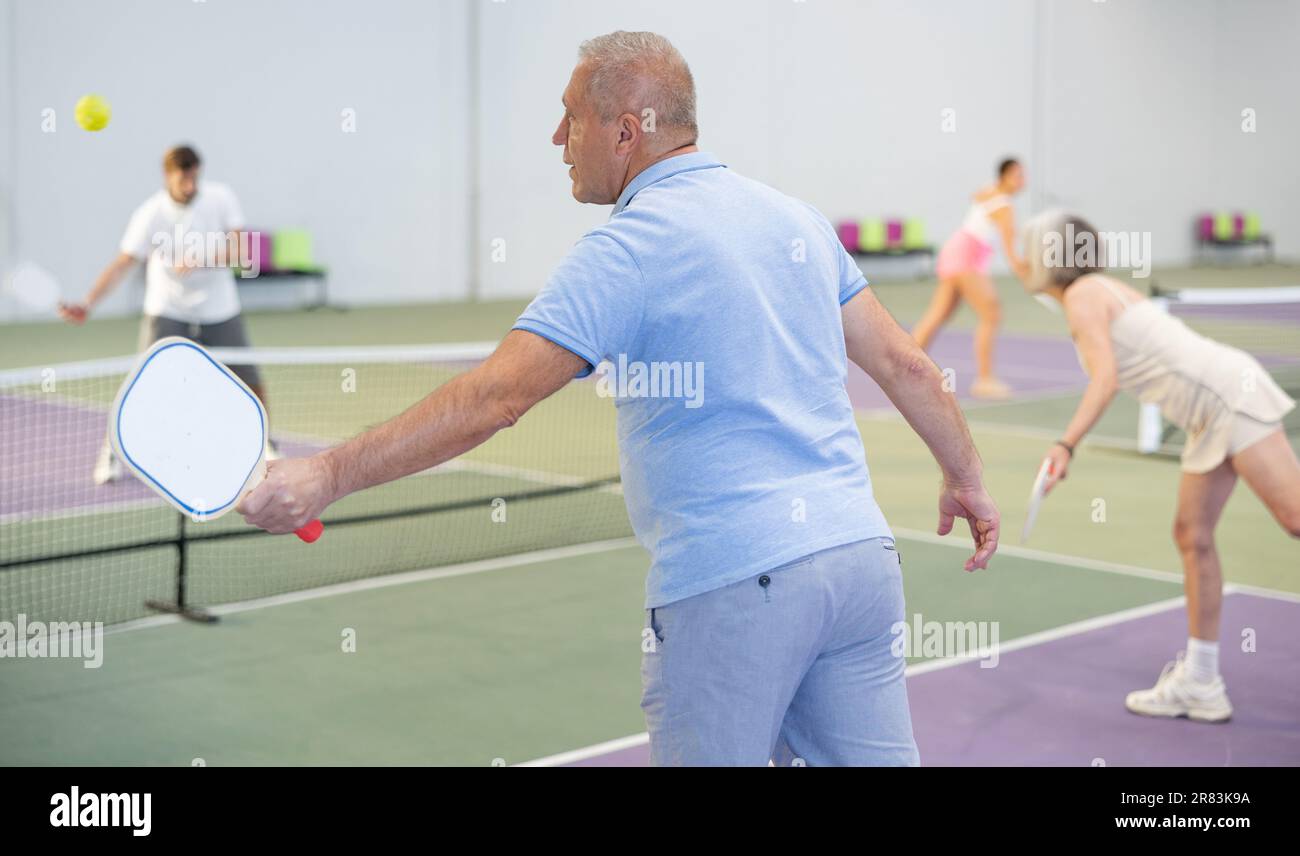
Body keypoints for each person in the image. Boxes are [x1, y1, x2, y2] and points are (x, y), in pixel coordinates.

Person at [237, 31, 1000, 765]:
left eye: (571, 116)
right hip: (859, 563)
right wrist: (966, 479)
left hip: (735, 584)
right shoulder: (793, 218)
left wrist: (326, 475)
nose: (556, 137)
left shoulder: (626, 250)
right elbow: (908, 366)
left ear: (628, 131)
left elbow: (495, 397)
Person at [1024, 210, 1299, 722]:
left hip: (1226, 398)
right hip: (1205, 416)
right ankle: (1201, 681)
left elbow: (1104, 380)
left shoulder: (1084, 296)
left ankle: (1199, 680)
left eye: (1030, 246)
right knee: (1192, 535)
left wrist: (1065, 444)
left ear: (1051, 257)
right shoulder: (1097, 290)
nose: (1020, 257)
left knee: (1295, 519)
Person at [59, 144, 269, 483]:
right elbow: (122, 263)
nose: (190, 186)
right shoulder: (150, 214)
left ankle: (265, 445)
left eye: (195, 178)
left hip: (220, 308)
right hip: (168, 309)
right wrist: (87, 302)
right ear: (168, 176)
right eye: (184, 179)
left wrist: (203, 257)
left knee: (250, 379)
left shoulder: (220, 198)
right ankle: (112, 452)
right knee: (142, 383)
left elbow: (245, 252)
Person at [912, 158, 1028, 399]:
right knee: (991, 312)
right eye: (1017, 175)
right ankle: (985, 380)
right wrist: (1026, 273)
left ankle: (907, 368)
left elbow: (977, 198)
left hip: (955, 249)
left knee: (939, 314)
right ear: (1004, 177)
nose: (1022, 181)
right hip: (966, 256)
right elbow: (1010, 252)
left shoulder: (988, 192)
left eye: (1022, 175)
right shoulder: (1006, 208)